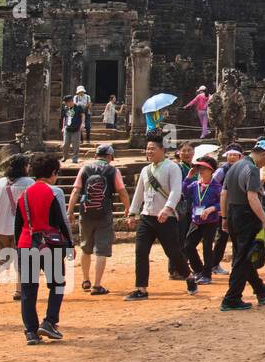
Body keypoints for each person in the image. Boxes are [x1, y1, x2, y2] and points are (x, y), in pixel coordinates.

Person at [125, 130, 198, 300]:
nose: (148, 152)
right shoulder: (145, 171)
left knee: (173, 252)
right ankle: (141, 288)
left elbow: (176, 190)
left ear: (162, 150)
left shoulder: (172, 167)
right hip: (147, 216)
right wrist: (133, 213)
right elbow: (139, 193)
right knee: (141, 252)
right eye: (147, 149)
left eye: (152, 149)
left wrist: (167, 208)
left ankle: (188, 276)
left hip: (166, 218)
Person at [14, 153, 73, 345]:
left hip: (26, 243)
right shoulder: (53, 192)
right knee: (57, 284)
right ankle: (49, 322)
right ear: (53, 172)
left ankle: (30, 332)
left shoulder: (23, 195)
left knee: (28, 290)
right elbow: (60, 222)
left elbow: (18, 225)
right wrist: (69, 244)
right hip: (49, 244)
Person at [218, 140, 265, 311]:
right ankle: (231, 298)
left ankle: (261, 290)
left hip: (233, 213)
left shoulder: (234, 167)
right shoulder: (251, 169)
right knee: (243, 258)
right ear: (264, 155)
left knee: (244, 253)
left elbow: (224, 194)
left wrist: (224, 217)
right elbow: (252, 198)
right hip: (246, 216)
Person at [66, 143, 128, 296]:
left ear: (96, 155)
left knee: (85, 247)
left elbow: (76, 190)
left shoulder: (85, 168)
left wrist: (69, 211)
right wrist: (128, 208)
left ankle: (86, 280)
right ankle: (97, 285)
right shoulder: (113, 170)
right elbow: (122, 191)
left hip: (85, 212)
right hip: (104, 213)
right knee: (101, 249)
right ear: (109, 157)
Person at [0, 152, 34, 301]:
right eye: (27, 165)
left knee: (3, 258)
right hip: (20, 228)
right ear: (23, 167)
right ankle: (18, 291)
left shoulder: (1, 182)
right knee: (21, 259)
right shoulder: (28, 183)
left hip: (1, 227)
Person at [183, 155, 222, 284]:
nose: (201, 170)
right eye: (200, 168)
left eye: (204, 168)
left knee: (207, 247)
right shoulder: (194, 185)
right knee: (188, 246)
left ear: (211, 171)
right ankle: (198, 270)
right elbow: (183, 192)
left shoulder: (217, 187)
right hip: (196, 221)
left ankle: (207, 274)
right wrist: (188, 177)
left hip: (210, 221)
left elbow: (222, 203)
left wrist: (211, 209)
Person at [206, 144, 244, 276]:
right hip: (223, 208)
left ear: (241, 157)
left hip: (238, 207)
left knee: (238, 238)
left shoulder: (244, 169)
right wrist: (218, 206)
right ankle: (214, 264)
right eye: (230, 155)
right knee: (222, 237)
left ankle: (237, 265)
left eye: (235, 155)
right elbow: (211, 186)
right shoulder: (222, 171)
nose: (232, 157)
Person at [60, 95, 83, 164]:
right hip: (67, 128)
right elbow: (65, 118)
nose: (66, 104)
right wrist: (63, 127)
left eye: (67, 103)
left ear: (70, 101)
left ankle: (75, 158)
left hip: (76, 128)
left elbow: (83, 115)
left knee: (75, 145)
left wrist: (82, 124)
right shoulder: (66, 108)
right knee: (65, 144)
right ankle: (65, 156)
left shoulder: (78, 107)